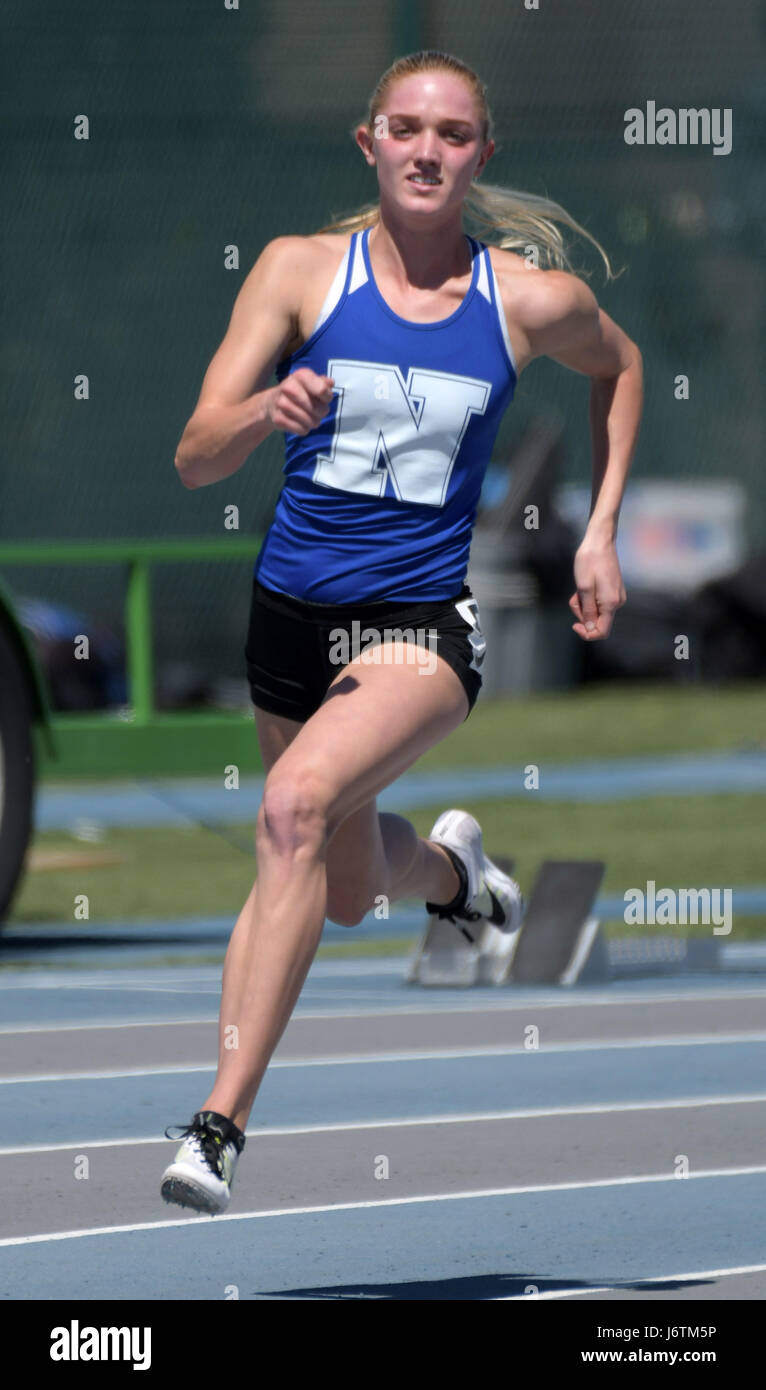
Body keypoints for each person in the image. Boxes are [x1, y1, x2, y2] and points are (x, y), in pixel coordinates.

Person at [160, 50, 642, 1214]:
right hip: (289, 616)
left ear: (482, 156)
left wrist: (600, 530)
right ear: (368, 141)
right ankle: (453, 872)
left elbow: (620, 367)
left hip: (420, 625)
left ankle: (216, 1124)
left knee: (289, 810)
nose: (429, 150)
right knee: (340, 883)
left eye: (455, 133)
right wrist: (260, 410)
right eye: (408, 128)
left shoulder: (525, 299)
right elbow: (193, 455)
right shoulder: (297, 274)